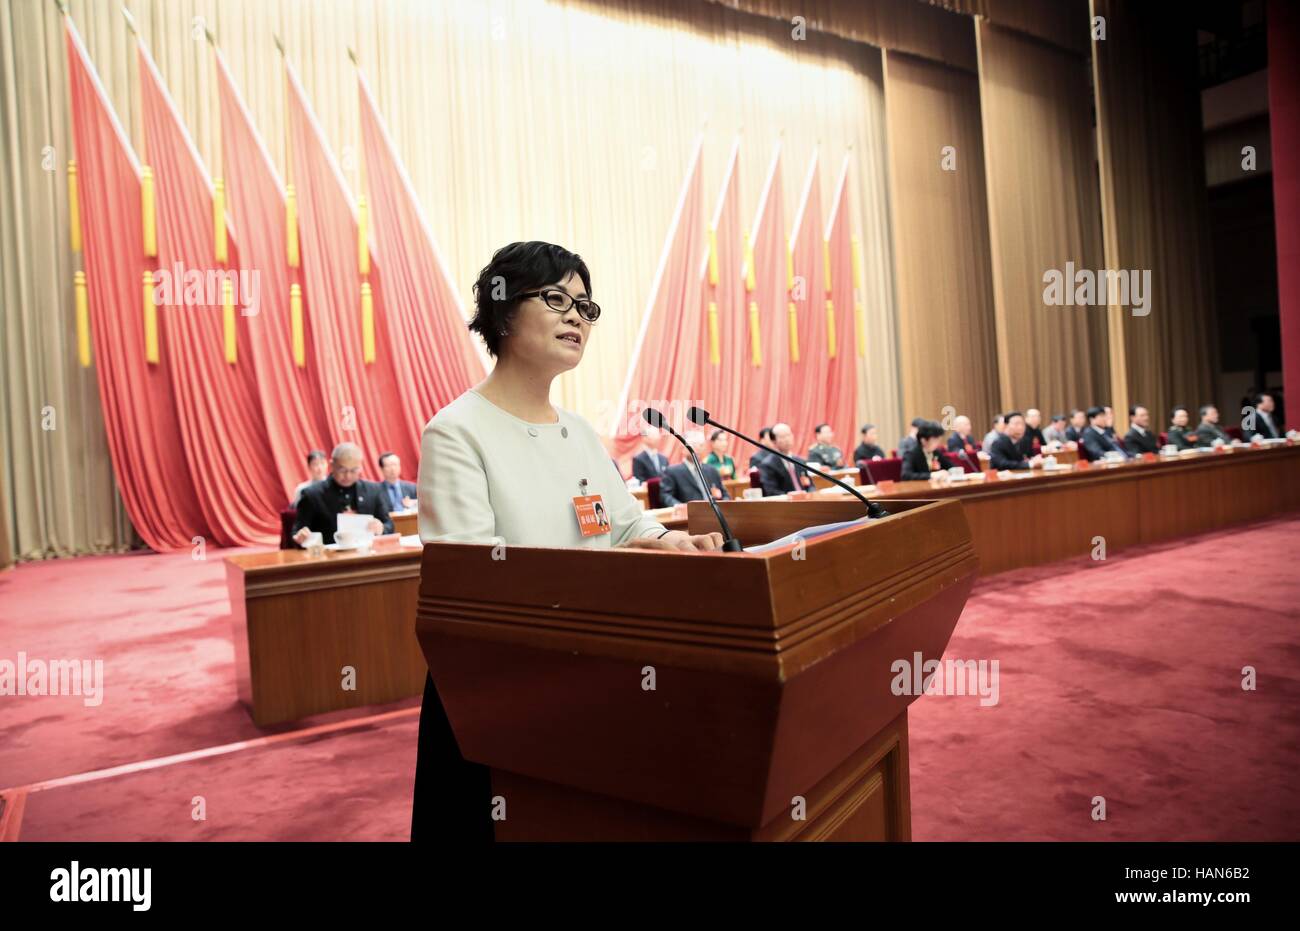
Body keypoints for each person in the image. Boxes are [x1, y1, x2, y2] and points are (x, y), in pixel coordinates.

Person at [412, 242, 724, 842]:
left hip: (593, 667)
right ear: (503, 311)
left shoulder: (578, 431)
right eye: (556, 299)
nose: (577, 316)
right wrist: (602, 568)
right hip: (498, 687)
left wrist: (669, 544)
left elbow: (627, 525)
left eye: (585, 306)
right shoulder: (456, 432)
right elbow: (472, 585)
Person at [292, 442, 393, 545]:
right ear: (332, 465)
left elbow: (389, 525)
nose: (348, 476)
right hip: (328, 553)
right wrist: (301, 537)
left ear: (361, 467)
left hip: (367, 551)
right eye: (342, 470)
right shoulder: (312, 494)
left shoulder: (373, 490)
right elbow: (297, 532)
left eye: (353, 470)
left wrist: (382, 528)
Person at [660, 432, 730, 506]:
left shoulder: (712, 470)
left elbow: (725, 494)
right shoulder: (672, 472)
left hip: (714, 511)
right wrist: (680, 506)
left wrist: (725, 505)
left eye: (701, 445)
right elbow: (665, 496)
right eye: (693, 444)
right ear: (683, 448)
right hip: (689, 511)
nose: (697, 448)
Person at [757, 423, 815, 496]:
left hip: (805, 500)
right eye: (782, 437)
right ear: (774, 441)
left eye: (789, 435)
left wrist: (810, 493)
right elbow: (771, 491)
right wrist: (790, 496)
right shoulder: (768, 465)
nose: (787, 439)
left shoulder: (800, 461)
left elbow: (810, 485)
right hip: (786, 502)